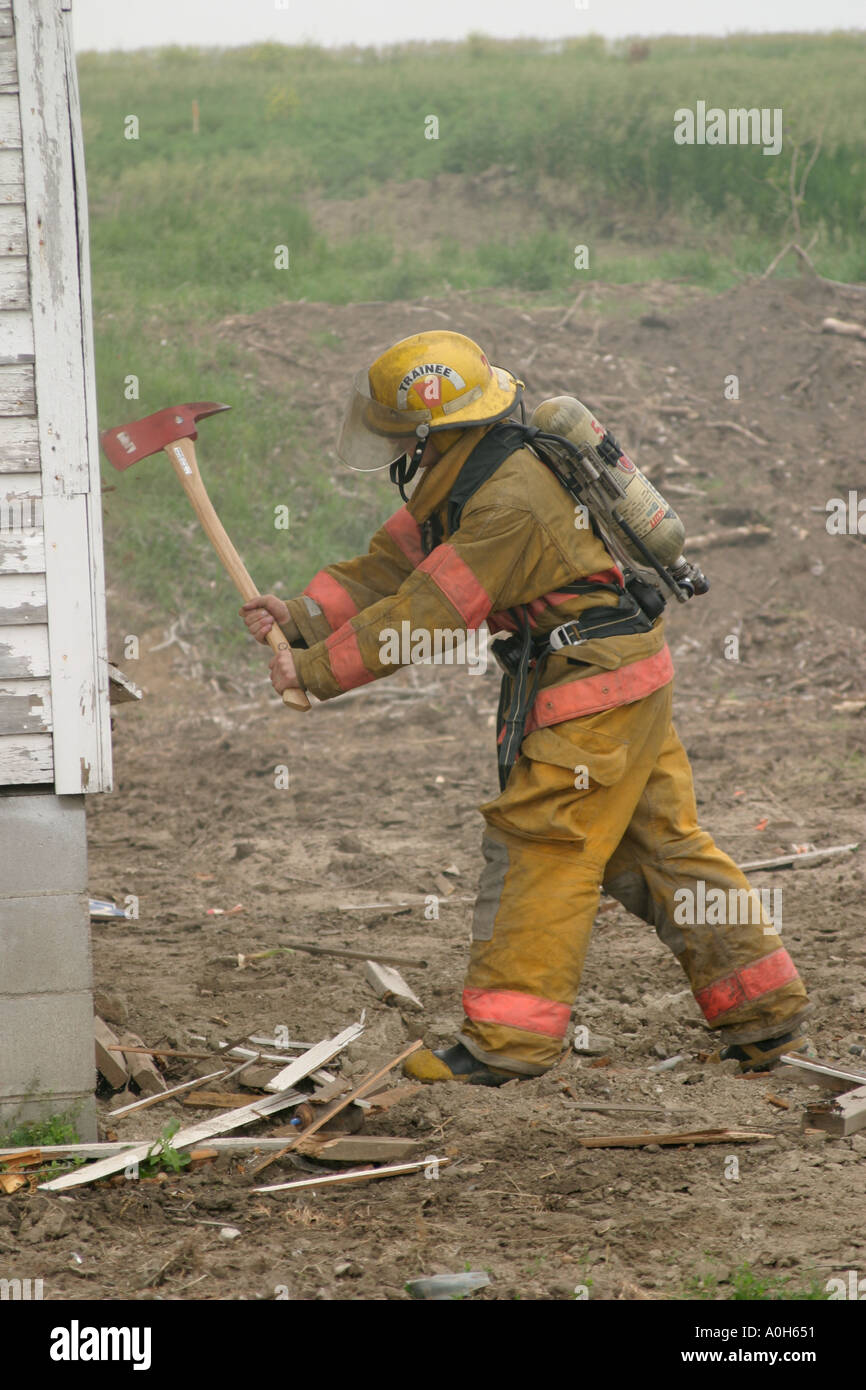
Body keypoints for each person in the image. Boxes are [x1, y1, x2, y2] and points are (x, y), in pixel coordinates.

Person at [242, 330, 811, 1086]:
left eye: (397, 439)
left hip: (592, 690)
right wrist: (301, 615)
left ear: (429, 435)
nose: (392, 455)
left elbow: (429, 612)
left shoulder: (509, 503)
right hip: (618, 678)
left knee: (540, 847)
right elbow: (391, 568)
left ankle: (503, 1047)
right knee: (657, 849)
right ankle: (763, 1011)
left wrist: (312, 672)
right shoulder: (472, 475)